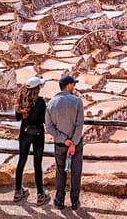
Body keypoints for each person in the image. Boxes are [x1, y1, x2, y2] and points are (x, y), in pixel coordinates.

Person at [45, 74, 84, 210]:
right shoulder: (77, 101)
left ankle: (59, 200)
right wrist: (73, 143)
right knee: (76, 172)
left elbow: (49, 127)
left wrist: (64, 140)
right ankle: (74, 201)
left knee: (60, 172)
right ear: (68, 86)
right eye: (73, 84)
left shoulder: (51, 103)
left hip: (60, 144)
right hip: (76, 143)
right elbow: (79, 124)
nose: (74, 87)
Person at [13, 75, 48, 205]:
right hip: (38, 134)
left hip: (25, 133)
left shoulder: (21, 101)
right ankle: (40, 194)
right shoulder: (40, 102)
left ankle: (17, 191)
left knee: (21, 161)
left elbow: (17, 117)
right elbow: (44, 119)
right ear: (37, 88)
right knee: (37, 164)